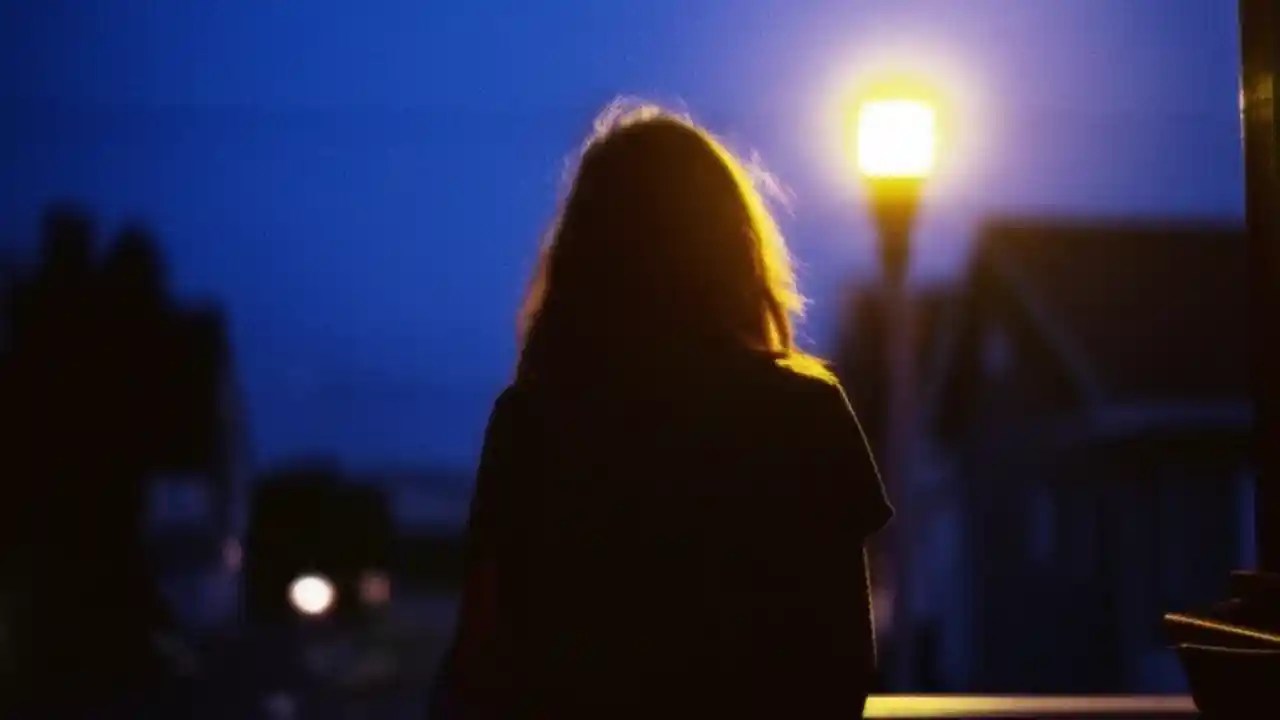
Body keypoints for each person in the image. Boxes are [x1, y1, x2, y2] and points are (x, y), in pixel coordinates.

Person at [439, 101, 893, 719]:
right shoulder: (806, 413)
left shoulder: (536, 420)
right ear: (734, 250)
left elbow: (483, 658)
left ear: (583, 254)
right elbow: (843, 660)